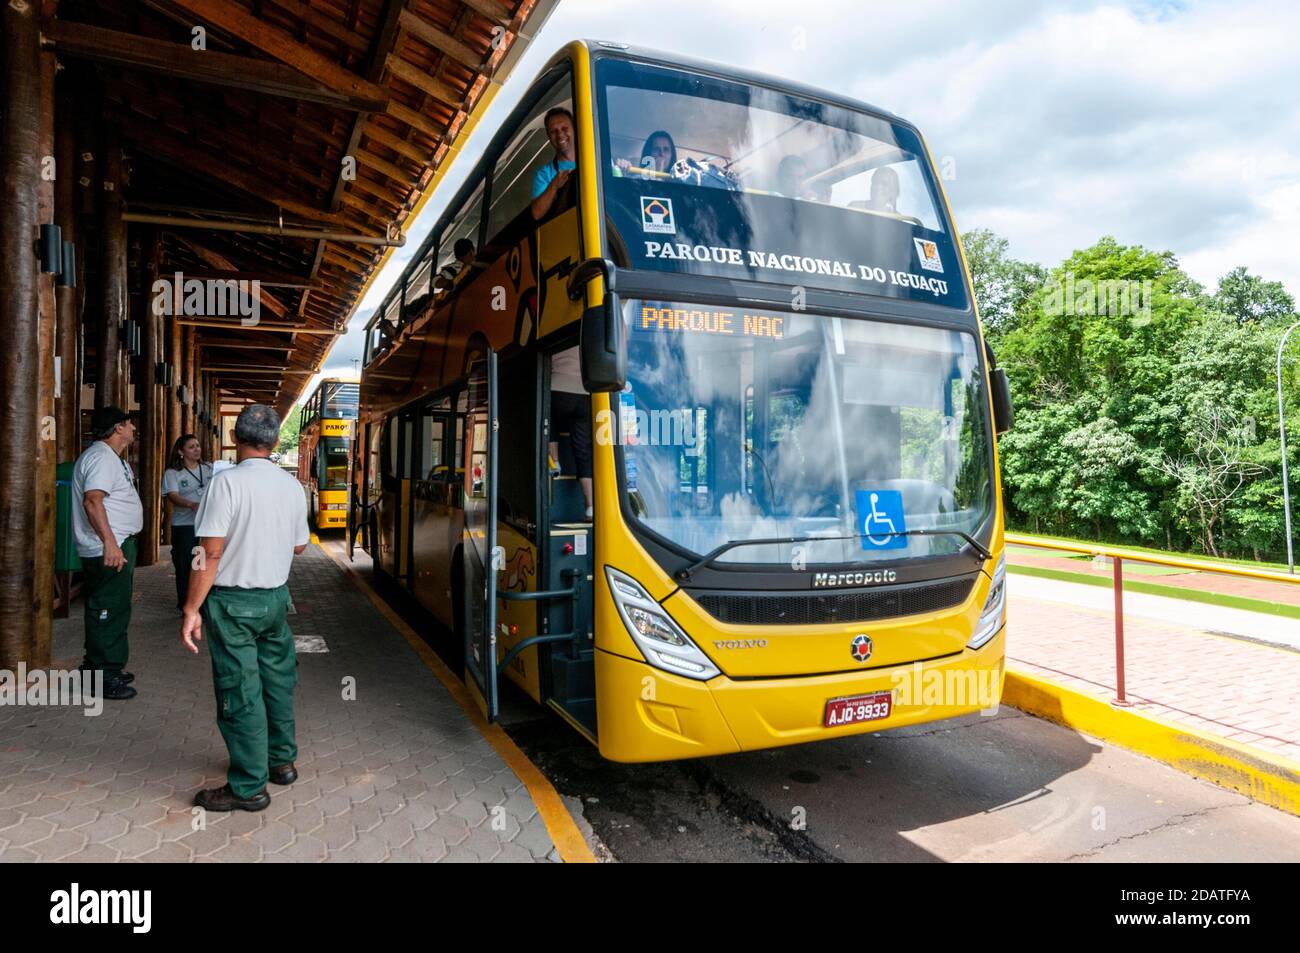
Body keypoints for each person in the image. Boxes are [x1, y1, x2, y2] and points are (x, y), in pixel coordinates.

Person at [182, 404, 309, 813]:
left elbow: (209, 552)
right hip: (276, 600)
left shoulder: (227, 484)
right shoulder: (292, 486)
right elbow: (299, 545)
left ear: (235, 438)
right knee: (277, 681)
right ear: (273, 442)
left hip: (234, 603)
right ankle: (281, 761)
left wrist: (191, 608)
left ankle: (249, 786)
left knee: (240, 690)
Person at [72, 406, 144, 700]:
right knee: (108, 609)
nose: (133, 428)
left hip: (114, 542)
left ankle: (95, 666)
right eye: (129, 424)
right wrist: (111, 543)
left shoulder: (109, 458)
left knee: (111, 606)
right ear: (118, 428)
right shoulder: (101, 457)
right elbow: (92, 501)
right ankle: (105, 674)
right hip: (110, 546)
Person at [162, 433, 212, 612]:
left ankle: (204, 603)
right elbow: (173, 496)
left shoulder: (208, 468)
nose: (197, 449)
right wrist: (191, 504)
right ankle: (186, 604)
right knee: (185, 566)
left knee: (204, 565)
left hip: (207, 525)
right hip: (184, 526)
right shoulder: (173, 473)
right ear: (181, 452)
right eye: (191, 447)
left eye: (197, 445)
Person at [549, 347, 593, 519]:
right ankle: (590, 506)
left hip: (557, 388)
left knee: (548, 420)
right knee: (583, 448)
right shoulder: (589, 332)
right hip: (584, 392)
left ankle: (555, 461)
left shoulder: (552, 325)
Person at [530, 107, 577, 221]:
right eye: (554, 131)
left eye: (564, 128)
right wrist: (554, 185)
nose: (560, 134)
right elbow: (536, 213)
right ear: (549, 137)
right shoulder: (543, 174)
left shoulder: (594, 157)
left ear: (574, 129)